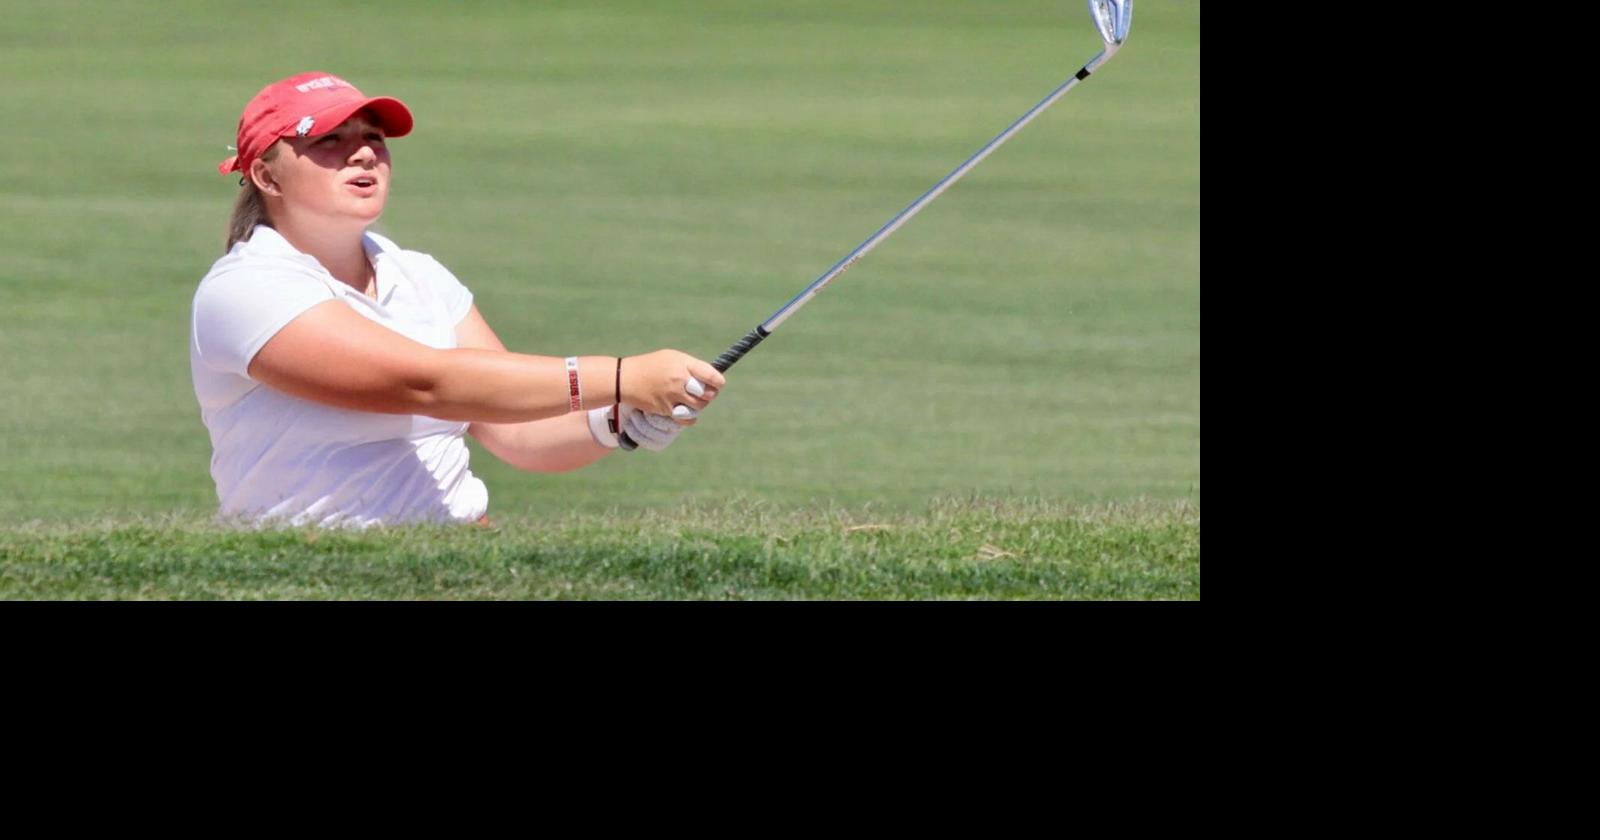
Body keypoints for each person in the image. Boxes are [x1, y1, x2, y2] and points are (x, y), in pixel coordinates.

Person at [190, 72, 726, 527]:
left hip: (459, 556)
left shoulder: (419, 275)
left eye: (374, 136)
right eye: (328, 139)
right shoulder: (245, 287)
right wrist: (619, 376)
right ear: (266, 175)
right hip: (315, 568)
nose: (364, 153)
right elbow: (424, 384)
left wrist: (616, 418)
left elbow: (514, 430)